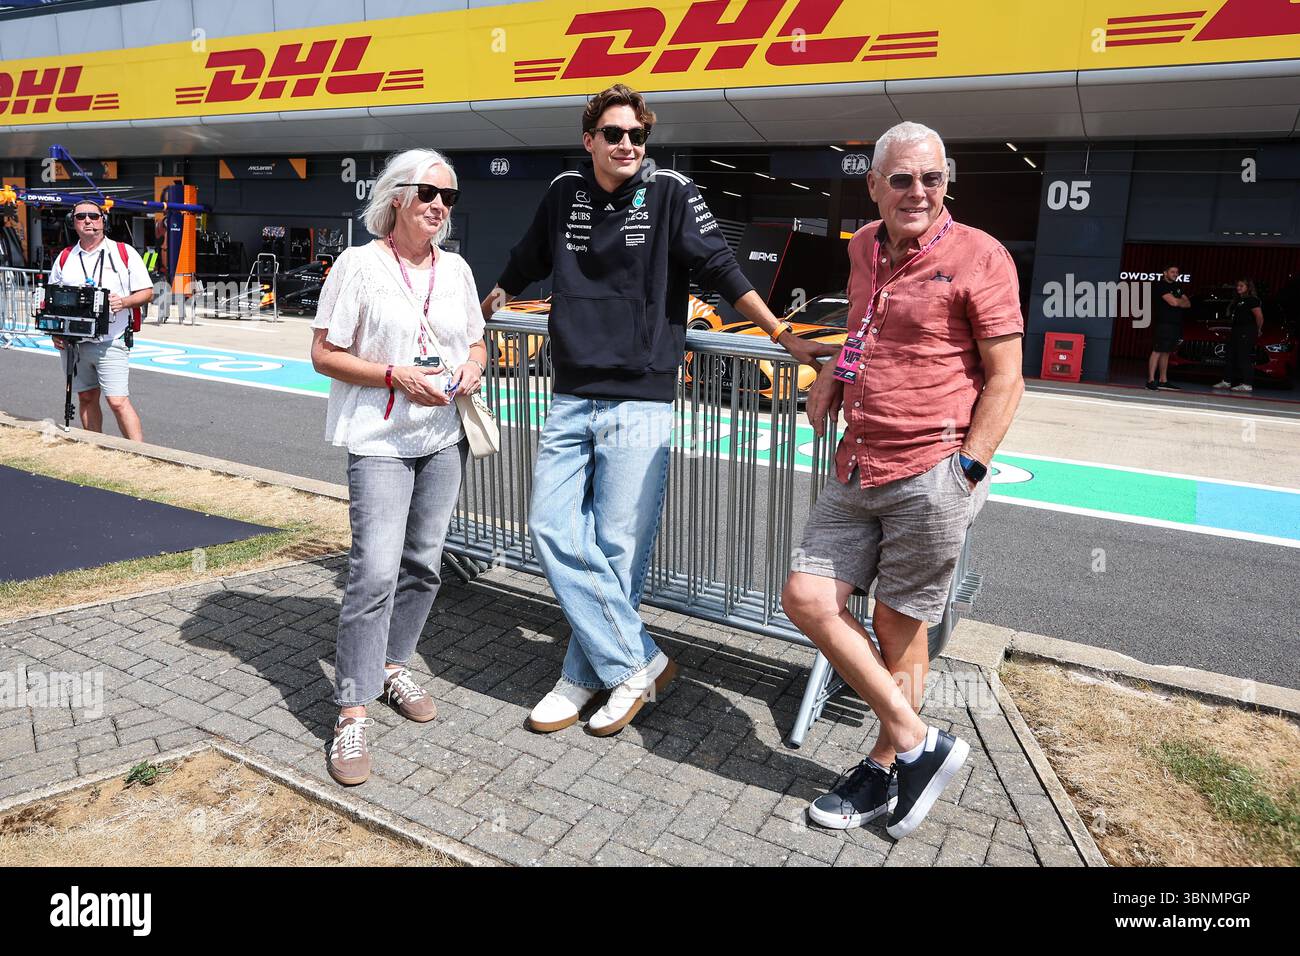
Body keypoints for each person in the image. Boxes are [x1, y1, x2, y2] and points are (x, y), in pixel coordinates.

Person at [481, 84, 835, 738]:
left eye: (636, 137)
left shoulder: (669, 190)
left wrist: (782, 335)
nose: (626, 146)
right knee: (550, 527)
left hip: (640, 397)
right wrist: (496, 293)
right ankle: (638, 663)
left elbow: (726, 272)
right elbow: (526, 260)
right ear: (588, 139)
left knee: (617, 549)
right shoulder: (563, 193)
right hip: (571, 393)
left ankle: (584, 676)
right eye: (613, 134)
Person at [782, 121, 1024, 839]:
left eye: (933, 179)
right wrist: (833, 369)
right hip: (858, 459)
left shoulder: (982, 256)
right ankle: (922, 743)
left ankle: (886, 765)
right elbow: (865, 327)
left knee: (897, 622)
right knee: (807, 595)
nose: (918, 192)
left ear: (946, 182)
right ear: (874, 186)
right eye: (902, 179)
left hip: (934, 465)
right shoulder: (861, 248)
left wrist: (967, 469)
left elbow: (1007, 377)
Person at [310, 148, 488, 786]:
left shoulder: (459, 270)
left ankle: (390, 664)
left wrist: (473, 366)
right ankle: (351, 707)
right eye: (428, 194)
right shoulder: (359, 265)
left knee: (423, 563)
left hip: (443, 438)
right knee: (374, 572)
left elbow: (475, 337)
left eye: (449, 198)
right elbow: (324, 354)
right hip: (381, 440)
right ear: (395, 199)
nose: (440, 206)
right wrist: (394, 374)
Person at [48, 199, 153, 440]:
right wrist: (56, 330)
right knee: (86, 397)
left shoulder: (123, 253)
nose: (88, 221)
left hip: (111, 340)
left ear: (103, 221)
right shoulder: (65, 257)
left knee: (117, 401)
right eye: (81, 216)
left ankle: (139, 455)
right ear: (72, 222)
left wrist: (124, 302)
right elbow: (52, 299)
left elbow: (147, 292)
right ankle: (96, 449)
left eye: (94, 216)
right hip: (74, 343)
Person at [1214, 278, 1263, 393]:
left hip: (1247, 331)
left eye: (1241, 286)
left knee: (1243, 356)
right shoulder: (1238, 300)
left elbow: (1259, 316)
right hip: (1236, 331)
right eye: (1237, 286)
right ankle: (1226, 381)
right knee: (1230, 355)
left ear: (1248, 288)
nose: (1238, 288)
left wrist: (1258, 329)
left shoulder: (1252, 300)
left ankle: (1247, 384)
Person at [1148, 264, 1190, 390]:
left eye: (1177, 272)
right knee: (1157, 350)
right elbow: (1173, 302)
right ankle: (1150, 380)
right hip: (1163, 323)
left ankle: (1163, 380)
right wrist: (1178, 301)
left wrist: (1178, 302)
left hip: (1175, 324)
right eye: (1172, 272)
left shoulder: (1177, 286)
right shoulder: (1160, 285)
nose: (1175, 274)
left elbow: (1188, 304)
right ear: (1165, 273)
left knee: (1166, 351)